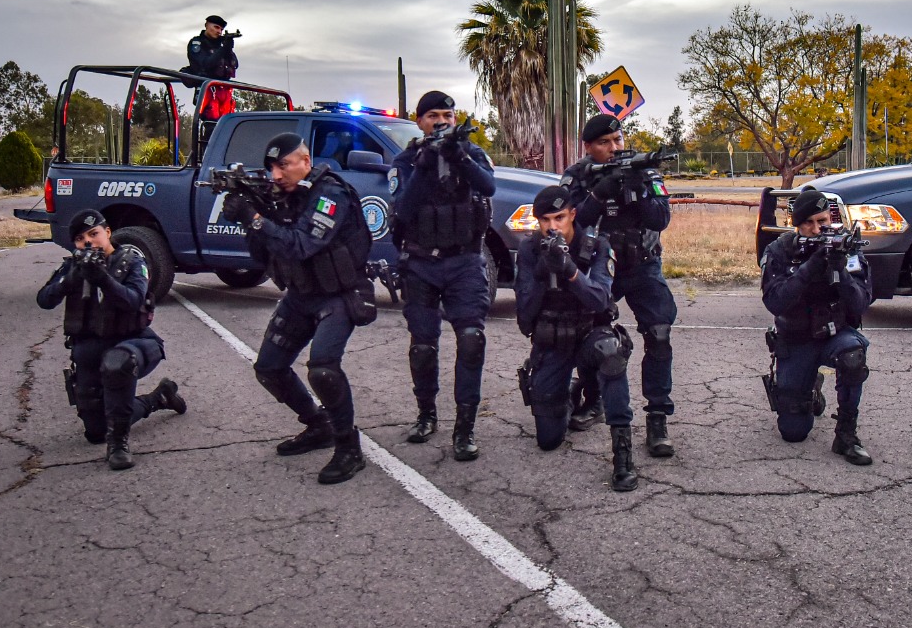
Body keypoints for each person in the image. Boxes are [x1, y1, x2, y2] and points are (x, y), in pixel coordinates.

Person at [224, 132, 374, 485]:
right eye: (271, 168)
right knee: (269, 368)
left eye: (284, 166)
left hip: (338, 293)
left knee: (323, 369)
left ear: (305, 163)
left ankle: (348, 447)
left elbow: (302, 245)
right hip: (301, 294)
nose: (276, 175)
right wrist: (251, 216)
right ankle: (317, 424)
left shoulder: (330, 194)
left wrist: (256, 217)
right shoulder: (281, 197)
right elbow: (262, 257)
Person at [559, 114, 677, 458]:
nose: (614, 148)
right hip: (600, 268)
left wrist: (636, 188)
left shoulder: (645, 171)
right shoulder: (578, 176)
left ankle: (657, 418)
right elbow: (568, 221)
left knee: (659, 333)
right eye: (604, 143)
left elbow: (661, 218)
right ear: (589, 147)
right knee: (589, 333)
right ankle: (594, 398)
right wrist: (598, 195)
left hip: (642, 263)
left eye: (618, 140)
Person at [36, 209, 186, 470]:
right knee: (95, 431)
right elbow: (44, 299)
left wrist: (103, 280)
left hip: (134, 343)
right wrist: (70, 280)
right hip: (91, 349)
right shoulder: (72, 265)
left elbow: (134, 300)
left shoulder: (131, 260)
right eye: (81, 239)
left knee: (116, 364)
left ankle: (118, 444)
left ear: (107, 233)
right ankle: (159, 398)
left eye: (94, 234)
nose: (89, 242)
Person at [391, 91, 495, 459]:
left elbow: (488, 186)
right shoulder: (405, 161)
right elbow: (403, 209)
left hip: (464, 262)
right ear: (418, 121)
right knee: (422, 345)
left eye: (447, 115)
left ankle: (464, 429)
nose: (441, 121)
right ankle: (426, 414)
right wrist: (425, 162)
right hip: (420, 264)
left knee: (470, 341)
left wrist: (458, 156)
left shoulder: (472, 153)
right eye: (432, 115)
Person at [513, 186, 638, 492]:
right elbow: (524, 318)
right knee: (549, 440)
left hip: (588, 336)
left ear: (572, 215)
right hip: (552, 341)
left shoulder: (595, 245)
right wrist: (544, 274)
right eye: (545, 220)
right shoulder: (529, 251)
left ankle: (623, 454)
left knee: (610, 352)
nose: (552, 227)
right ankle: (571, 391)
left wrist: (569, 271)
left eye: (559, 218)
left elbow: (599, 299)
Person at [759, 190, 874, 465]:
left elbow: (860, 304)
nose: (816, 229)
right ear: (796, 225)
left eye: (821, 221)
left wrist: (840, 271)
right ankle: (811, 388)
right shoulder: (780, 250)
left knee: (853, 355)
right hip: (796, 339)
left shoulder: (846, 248)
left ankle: (846, 434)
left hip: (836, 333)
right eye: (807, 223)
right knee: (793, 432)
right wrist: (809, 268)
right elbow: (775, 302)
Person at [186, 15, 239, 80]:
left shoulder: (219, 45)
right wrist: (224, 49)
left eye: (221, 29)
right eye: (216, 27)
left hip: (223, 85)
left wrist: (228, 49)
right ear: (207, 25)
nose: (219, 31)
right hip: (205, 86)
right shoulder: (197, 43)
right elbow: (205, 64)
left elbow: (235, 65)